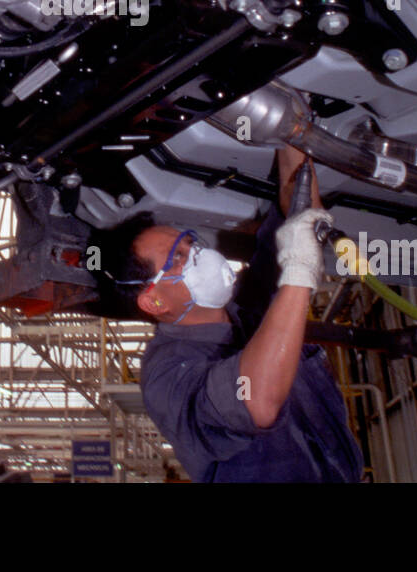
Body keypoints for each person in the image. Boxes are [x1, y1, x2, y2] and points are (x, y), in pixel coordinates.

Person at [97, 145, 363, 482]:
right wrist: (299, 271)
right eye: (177, 257)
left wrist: (293, 133)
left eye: (190, 242)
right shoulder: (165, 375)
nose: (197, 253)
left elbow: (293, 209)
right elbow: (256, 401)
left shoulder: (248, 311)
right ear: (155, 302)